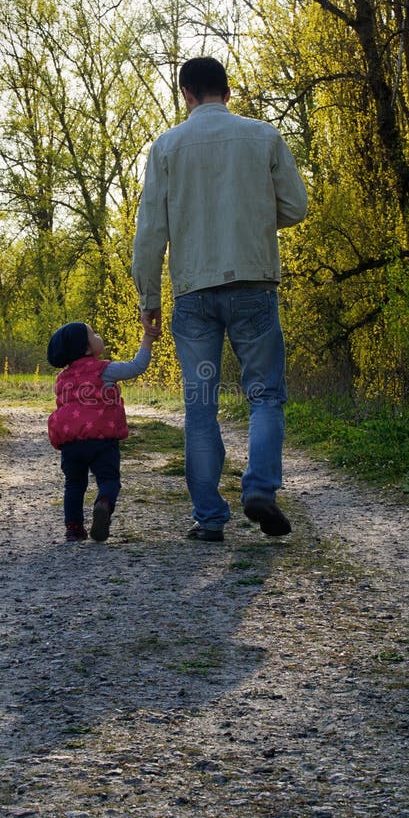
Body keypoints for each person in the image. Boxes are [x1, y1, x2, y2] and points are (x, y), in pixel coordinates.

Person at [132, 56, 307, 543]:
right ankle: (260, 490)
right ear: (227, 92)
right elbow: (295, 206)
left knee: (201, 403)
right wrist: (250, 218)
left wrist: (149, 297)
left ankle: (209, 518)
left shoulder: (166, 146)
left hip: (194, 295)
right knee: (265, 395)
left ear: (185, 94)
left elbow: (150, 233)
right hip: (253, 286)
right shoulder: (264, 136)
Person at [47, 321, 159, 542]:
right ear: (87, 349)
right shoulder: (104, 370)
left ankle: (73, 527)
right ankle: (104, 503)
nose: (99, 335)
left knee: (74, 484)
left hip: (71, 443)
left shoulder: (62, 379)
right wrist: (147, 339)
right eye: (93, 334)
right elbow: (137, 366)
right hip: (102, 439)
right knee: (109, 479)